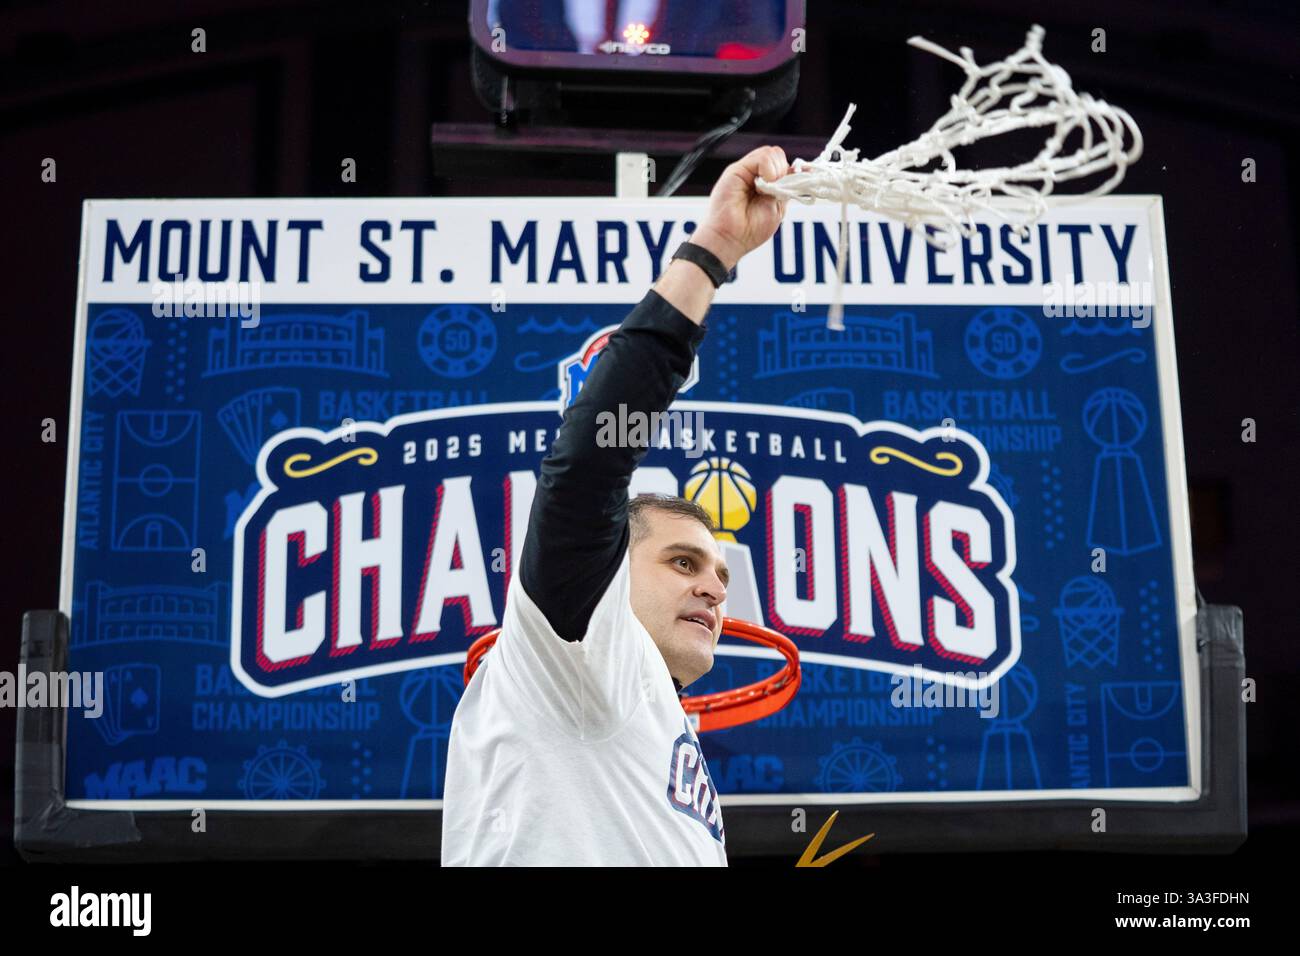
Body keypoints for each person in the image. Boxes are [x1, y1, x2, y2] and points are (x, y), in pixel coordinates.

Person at [441, 145, 791, 866]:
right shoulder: (582, 653)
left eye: (720, 576)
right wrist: (714, 251)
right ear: (605, 574)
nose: (712, 589)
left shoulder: (643, 718)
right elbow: (586, 467)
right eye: (683, 561)